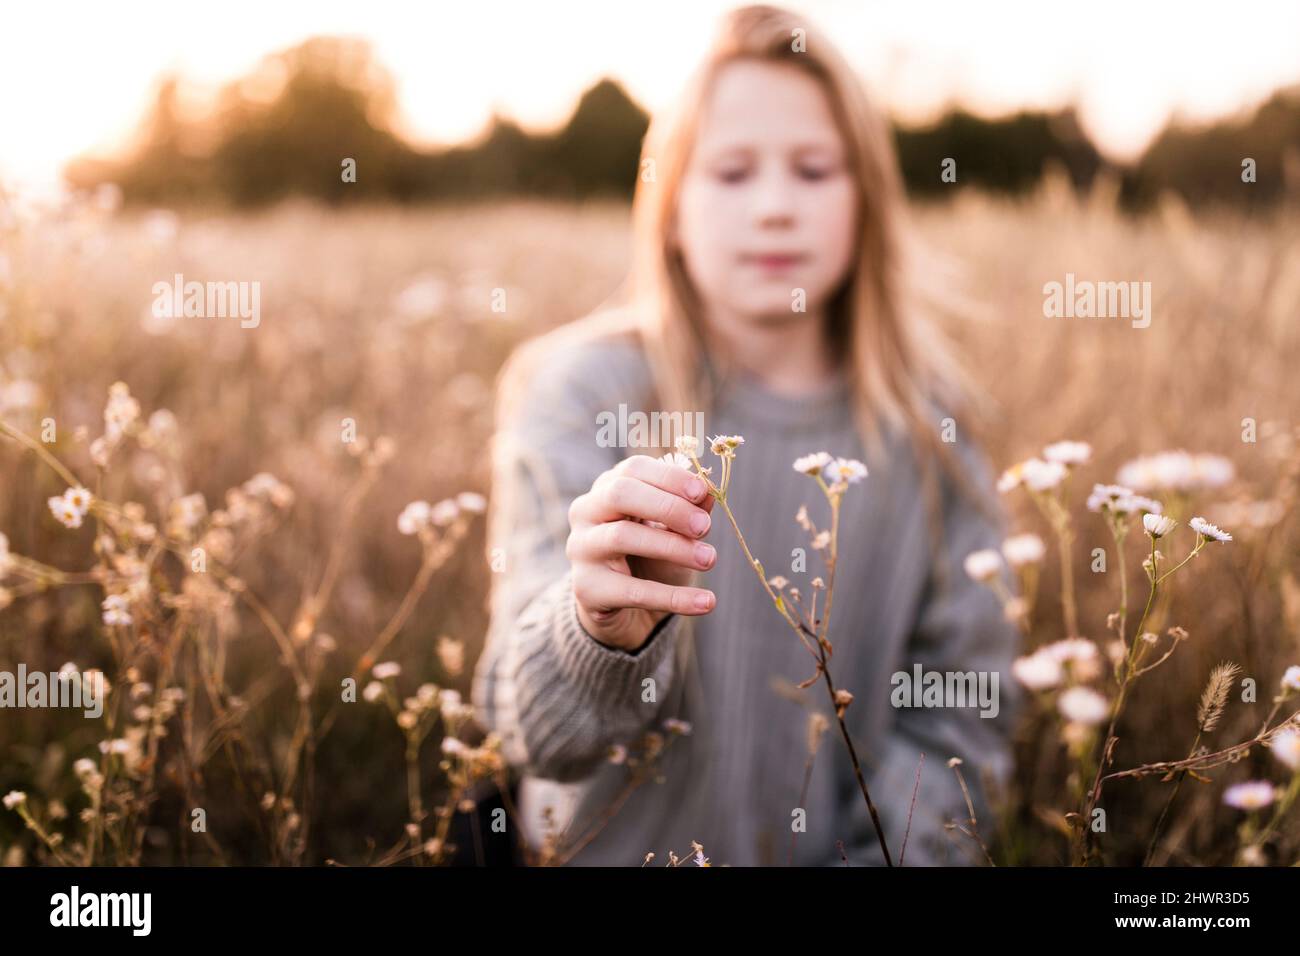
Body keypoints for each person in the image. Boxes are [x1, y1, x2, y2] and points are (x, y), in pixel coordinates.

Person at [471, 3, 1022, 866]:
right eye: (730, 173)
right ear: (672, 209)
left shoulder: (931, 427)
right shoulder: (580, 392)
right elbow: (530, 733)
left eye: (813, 169)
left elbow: (963, 722)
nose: (774, 208)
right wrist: (598, 631)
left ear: (866, 201)